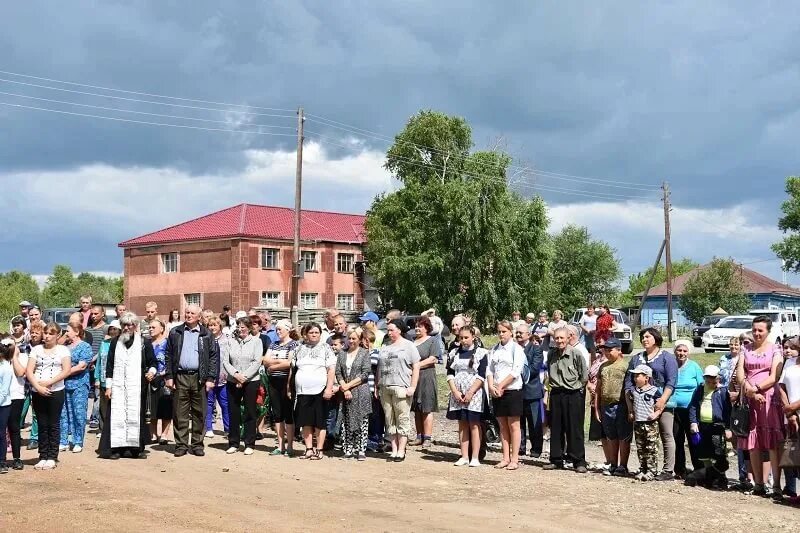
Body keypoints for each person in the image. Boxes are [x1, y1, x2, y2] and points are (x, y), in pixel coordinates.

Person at [736, 315, 785, 497]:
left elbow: (774, 376)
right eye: (754, 329)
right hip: (749, 397)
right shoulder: (745, 349)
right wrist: (748, 390)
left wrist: (757, 389)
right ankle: (758, 483)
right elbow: (741, 372)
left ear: (768, 331)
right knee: (753, 441)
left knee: (772, 443)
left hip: (769, 398)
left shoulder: (775, 349)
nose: (757, 333)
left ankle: (777, 485)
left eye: (760, 330)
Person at [98, 312, 158, 460]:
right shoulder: (114, 342)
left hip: (137, 387)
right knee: (117, 416)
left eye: (130, 325)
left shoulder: (144, 342)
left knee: (135, 415)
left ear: (135, 326)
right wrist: (109, 386)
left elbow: (153, 363)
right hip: (118, 387)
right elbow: (110, 365)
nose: (127, 327)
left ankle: (134, 449)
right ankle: (116, 448)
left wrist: (151, 372)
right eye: (124, 324)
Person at [164, 304, 219, 457]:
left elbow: (213, 357)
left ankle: (197, 444)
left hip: (199, 378)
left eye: (192, 313)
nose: (188, 315)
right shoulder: (176, 332)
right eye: (187, 312)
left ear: (199, 316)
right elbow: (168, 354)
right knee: (179, 412)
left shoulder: (206, 334)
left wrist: (210, 378)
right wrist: (169, 376)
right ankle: (181, 445)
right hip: (180, 376)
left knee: (199, 412)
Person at [624, 327, 678, 481]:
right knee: (643, 439)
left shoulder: (667, 357)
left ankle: (668, 470)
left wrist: (662, 401)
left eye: (648, 336)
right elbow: (628, 382)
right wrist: (630, 406)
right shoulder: (636, 358)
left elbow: (672, 381)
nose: (644, 339)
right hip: (640, 404)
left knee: (666, 434)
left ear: (656, 338)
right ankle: (646, 468)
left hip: (663, 401)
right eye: (642, 337)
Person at [26, 322, 72, 469]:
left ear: (57, 335)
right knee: (42, 424)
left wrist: (49, 382)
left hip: (56, 390)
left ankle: (52, 456)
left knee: (53, 423)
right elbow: (29, 371)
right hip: (38, 390)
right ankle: (43, 455)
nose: (47, 336)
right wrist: (38, 386)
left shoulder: (63, 350)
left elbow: (66, 370)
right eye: (45, 333)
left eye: (51, 334)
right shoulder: (37, 349)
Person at [542, 327, 589, 473]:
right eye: (556, 338)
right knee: (556, 427)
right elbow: (548, 373)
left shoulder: (576, 353)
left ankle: (578, 461)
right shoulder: (551, 354)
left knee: (574, 428)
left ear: (568, 338)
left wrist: (577, 389)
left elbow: (584, 376)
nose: (559, 341)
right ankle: (556, 459)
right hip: (556, 393)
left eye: (562, 338)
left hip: (573, 394)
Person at [291, 322, 336, 460]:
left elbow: (331, 370)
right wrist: (289, 387)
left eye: (317, 332)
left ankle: (319, 449)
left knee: (319, 422)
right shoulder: (299, 348)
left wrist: (329, 388)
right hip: (302, 391)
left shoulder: (326, 348)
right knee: (305, 421)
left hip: (319, 390)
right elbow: (293, 369)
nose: (314, 335)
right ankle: (309, 449)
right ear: (306, 334)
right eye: (312, 332)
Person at [376, 319, 420, 462]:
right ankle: (394, 449)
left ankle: (401, 450)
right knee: (389, 419)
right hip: (385, 386)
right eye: (387, 330)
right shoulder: (385, 346)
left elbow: (416, 367)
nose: (389, 333)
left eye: (391, 330)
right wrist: (378, 385)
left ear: (399, 330)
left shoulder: (409, 346)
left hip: (401, 386)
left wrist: (412, 387)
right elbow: (379, 368)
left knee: (402, 418)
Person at [446, 325, 488, 467]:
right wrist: (455, 391)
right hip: (457, 392)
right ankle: (464, 455)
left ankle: (475, 456)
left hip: (474, 393)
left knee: (474, 424)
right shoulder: (453, 353)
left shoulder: (482, 353)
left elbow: (482, 375)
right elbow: (450, 373)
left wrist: (470, 392)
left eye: (466, 337)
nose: (463, 340)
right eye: (461, 337)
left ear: (473, 337)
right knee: (462, 424)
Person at [685, 365, 731, 489]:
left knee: (718, 452)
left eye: (713, 380)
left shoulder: (723, 391)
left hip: (717, 425)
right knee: (704, 451)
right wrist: (693, 422)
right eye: (708, 380)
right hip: (702, 425)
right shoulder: (700, 388)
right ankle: (708, 478)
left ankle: (721, 478)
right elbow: (693, 405)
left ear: (718, 378)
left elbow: (727, 410)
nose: (710, 382)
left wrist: (728, 428)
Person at [487, 320, 524, 471]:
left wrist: (501, 385)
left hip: (512, 391)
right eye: (499, 331)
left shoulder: (517, 349)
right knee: (502, 425)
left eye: (504, 331)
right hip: (497, 391)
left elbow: (515, 371)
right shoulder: (494, 349)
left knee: (514, 425)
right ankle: (505, 457)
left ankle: (515, 459)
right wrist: (491, 386)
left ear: (511, 332)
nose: (501, 334)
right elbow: (489, 370)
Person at [222, 317, 262, 455]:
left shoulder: (257, 342)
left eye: (243, 327)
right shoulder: (230, 342)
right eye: (238, 326)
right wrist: (236, 375)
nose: (240, 329)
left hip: (251, 381)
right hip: (233, 380)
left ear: (250, 328)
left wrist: (244, 377)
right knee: (233, 411)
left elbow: (257, 362)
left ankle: (249, 443)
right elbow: (226, 362)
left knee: (250, 412)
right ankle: (233, 442)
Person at [594, 338, 632, 477]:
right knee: (611, 436)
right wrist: (596, 407)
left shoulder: (625, 366)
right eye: (606, 350)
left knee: (623, 436)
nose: (608, 353)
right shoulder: (603, 366)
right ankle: (613, 463)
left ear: (619, 350)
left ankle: (623, 465)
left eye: (610, 350)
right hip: (606, 405)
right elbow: (598, 388)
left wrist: (630, 409)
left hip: (621, 404)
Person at [263, 319, 298, 456]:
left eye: (280, 329)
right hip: (273, 381)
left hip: (286, 381)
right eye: (277, 329)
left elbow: (290, 363)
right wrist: (279, 362)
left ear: (288, 330)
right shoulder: (273, 344)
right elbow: (265, 360)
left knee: (288, 414)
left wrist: (273, 365)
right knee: (277, 414)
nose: (278, 332)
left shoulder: (294, 344)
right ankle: (280, 445)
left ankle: (290, 445)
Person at [336, 329, 372, 460]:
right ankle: (348, 448)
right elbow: (338, 372)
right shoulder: (342, 353)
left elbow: (365, 374)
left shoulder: (364, 353)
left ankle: (361, 449)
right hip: (346, 391)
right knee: (346, 421)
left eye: (354, 339)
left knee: (361, 420)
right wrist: (345, 389)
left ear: (360, 340)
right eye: (349, 338)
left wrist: (348, 386)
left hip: (360, 391)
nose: (351, 341)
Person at [670, 339, 704, 478]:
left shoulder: (694, 366)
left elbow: (701, 386)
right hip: (674, 408)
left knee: (693, 440)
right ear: (675, 351)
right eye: (679, 350)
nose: (681, 353)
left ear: (688, 353)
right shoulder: (671, 365)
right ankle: (680, 469)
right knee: (677, 439)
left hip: (691, 410)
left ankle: (699, 469)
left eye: (684, 351)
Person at [59, 324, 93, 453]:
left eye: (67, 331)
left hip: (79, 384)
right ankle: (63, 441)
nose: (66, 333)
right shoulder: (64, 348)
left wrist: (64, 372)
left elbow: (81, 366)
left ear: (77, 332)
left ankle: (78, 441)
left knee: (78, 413)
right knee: (63, 414)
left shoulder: (85, 347)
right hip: (64, 385)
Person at [627, 364, 662, 481]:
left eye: (638, 376)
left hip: (650, 424)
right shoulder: (634, 391)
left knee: (651, 448)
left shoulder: (654, 391)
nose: (635, 378)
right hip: (638, 423)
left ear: (646, 378)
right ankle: (643, 468)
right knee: (640, 447)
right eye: (634, 376)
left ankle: (652, 470)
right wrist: (631, 411)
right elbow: (629, 399)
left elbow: (661, 404)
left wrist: (656, 414)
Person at [410, 317, 438, 449]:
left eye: (420, 326)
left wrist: (416, 366)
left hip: (427, 377)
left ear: (426, 328)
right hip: (413, 378)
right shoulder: (412, 342)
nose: (417, 328)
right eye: (416, 326)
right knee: (416, 408)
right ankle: (419, 436)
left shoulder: (432, 341)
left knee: (426, 408)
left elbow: (433, 359)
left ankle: (427, 437)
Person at [515, 323, 543, 458]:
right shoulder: (513, 348)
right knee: (518, 422)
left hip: (532, 391)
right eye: (517, 332)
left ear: (528, 334)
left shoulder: (536, 349)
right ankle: (520, 447)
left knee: (534, 423)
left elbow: (534, 369)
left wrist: (514, 374)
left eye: (521, 332)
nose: (518, 334)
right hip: (516, 391)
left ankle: (536, 449)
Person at [779, 336, 800, 501]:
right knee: (794, 453)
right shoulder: (790, 364)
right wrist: (789, 411)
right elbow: (782, 387)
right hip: (790, 416)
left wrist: (794, 408)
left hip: (796, 411)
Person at [147, 318, 173, 444]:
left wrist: (165, 374)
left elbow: (172, 360)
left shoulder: (168, 343)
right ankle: (153, 434)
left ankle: (164, 434)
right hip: (150, 379)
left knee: (166, 408)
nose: (150, 329)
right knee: (151, 408)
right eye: (149, 327)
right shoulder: (146, 343)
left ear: (162, 329)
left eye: (153, 327)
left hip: (165, 379)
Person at [205, 316, 230, 439]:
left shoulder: (227, 340)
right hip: (209, 377)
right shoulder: (205, 339)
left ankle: (228, 428)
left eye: (215, 325)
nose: (212, 327)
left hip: (223, 377)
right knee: (209, 403)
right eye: (210, 325)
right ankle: (208, 428)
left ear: (220, 326)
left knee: (225, 403)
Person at [94, 320, 120, 437]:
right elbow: (99, 361)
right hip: (104, 379)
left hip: (117, 380)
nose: (113, 331)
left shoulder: (121, 344)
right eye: (111, 329)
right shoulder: (104, 343)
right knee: (103, 406)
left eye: (115, 329)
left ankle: (114, 429)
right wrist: (97, 378)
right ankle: (103, 429)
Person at [9, 336, 29, 470]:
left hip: (16, 396)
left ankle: (16, 458)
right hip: (2, 398)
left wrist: (14, 357)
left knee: (14, 427)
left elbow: (21, 372)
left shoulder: (22, 356)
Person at [0, 340, 14, 473]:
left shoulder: (6, 368)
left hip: (3, 405)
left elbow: (4, 391)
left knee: (1, 434)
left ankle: (2, 461)